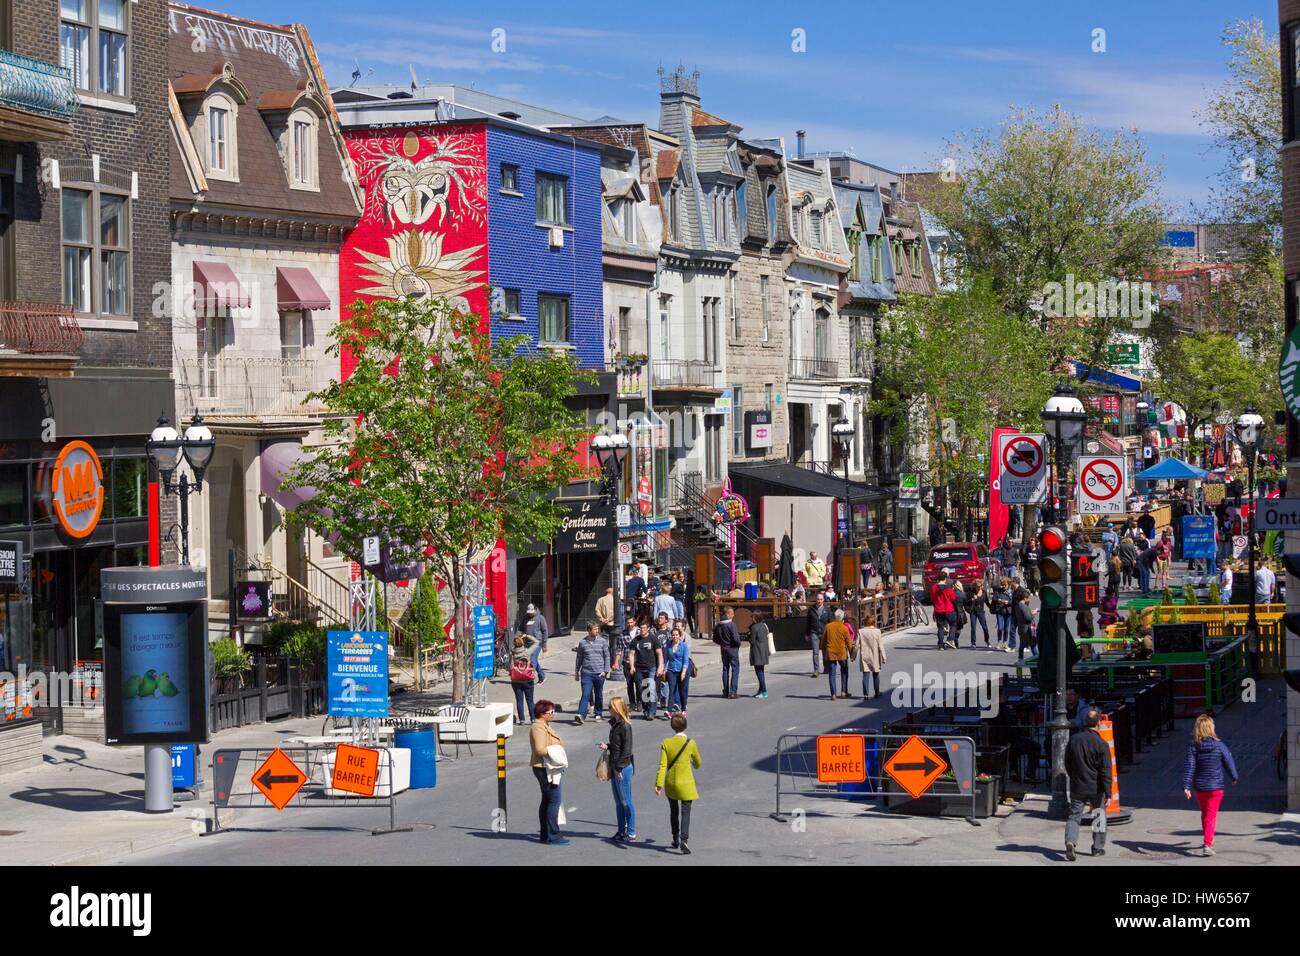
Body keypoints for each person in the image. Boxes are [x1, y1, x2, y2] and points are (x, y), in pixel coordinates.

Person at [1182, 713, 1239, 857]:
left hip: (1200, 788)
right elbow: (1228, 761)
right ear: (1211, 728)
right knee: (1211, 815)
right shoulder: (1219, 745)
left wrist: (1186, 786)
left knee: (1206, 814)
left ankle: (1207, 839)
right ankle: (1208, 844)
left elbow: (1190, 767)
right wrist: (1234, 777)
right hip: (1216, 788)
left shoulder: (1193, 747)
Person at [1063, 706, 1111, 861]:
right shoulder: (1102, 744)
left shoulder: (1074, 740)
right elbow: (1106, 771)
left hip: (1078, 785)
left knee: (1074, 816)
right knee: (1099, 816)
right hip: (1096, 787)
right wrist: (1108, 792)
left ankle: (1071, 841)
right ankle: (1097, 848)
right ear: (1098, 723)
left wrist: (1074, 776)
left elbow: (1067, 762)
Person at [655, 713, 702, 855]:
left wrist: (658, 785)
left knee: (673, 811)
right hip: (686, 783)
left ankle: (675, 837)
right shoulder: (691, 743)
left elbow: (662, 765)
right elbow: (698, 763)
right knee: (686, 811)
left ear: (672, 726)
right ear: (685, 726)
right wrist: (692, 762)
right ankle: (684, 839)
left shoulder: (666, 743)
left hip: (671, 782)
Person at [529, 700, 568, 846]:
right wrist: (557, 751)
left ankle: (545, 834)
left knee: (547, 800)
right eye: (550, 712)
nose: (553, 714)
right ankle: (554, 835)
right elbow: (539, 749)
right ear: (542, 713)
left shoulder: (544, 725)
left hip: (548, 767)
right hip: (544, 768)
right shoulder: (538, 727)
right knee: (554, 800)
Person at [600, 696, 636, 843]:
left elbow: (627, 751)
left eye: (610, 707)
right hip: (616, 766)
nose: (608, 709)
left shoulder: (625, 726)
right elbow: (617, 746)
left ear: (616, 709)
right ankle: (621, 831)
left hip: (623, 768)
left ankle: (631, 831)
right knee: (618, 802)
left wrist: (619, 769)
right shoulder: (616, 724)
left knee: (626, 800)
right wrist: (607, 746)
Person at [573, 622, 610, 725]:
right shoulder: (582, 643)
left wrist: (605, 671)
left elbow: (607, 656)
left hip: (599, 673)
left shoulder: (603, 641)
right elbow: (579, 658)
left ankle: (598, 713)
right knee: (585, 694)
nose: (597, 631)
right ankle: (581, 715)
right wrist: (576, 671)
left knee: (598, 694)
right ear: (589, 631)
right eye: (594, 629)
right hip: (586, 673)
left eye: (597, 629)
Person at [628, 620, 665, 720]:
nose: (642, 630)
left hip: (651, 667)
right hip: (639, 668)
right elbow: (631, 654)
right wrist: (632, 666)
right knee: (642, 689)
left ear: (648, 628)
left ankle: (652, 712)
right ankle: (646, 710)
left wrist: (660, 667)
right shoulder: (636, 640)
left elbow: (659, 654)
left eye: (644, 628)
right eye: (640, 628)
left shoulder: (653, 639)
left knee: (651, 689)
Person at [822, 608, 852, 699]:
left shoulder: (828, 626)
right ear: (842, 617)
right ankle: (843, 691)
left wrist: (824, 653)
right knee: (844, 671)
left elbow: (823, 641)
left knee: (832, 673)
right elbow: (848, 642)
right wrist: (851, 653)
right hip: (841, 653)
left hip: (831, 653)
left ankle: (833, 694)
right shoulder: (844, 627)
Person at [713, 605, 743, 699]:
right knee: (735, 669)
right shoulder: (731, 625)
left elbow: (715, 639)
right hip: (732, 649)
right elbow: (736, 639)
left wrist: (722, 643)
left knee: (725, 669)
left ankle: (726, 691)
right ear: (727, 614)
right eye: (732, 614)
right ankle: (733, 691)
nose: (733, 615)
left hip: (723, 649)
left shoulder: (719, 625)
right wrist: (737, 644)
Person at [856, 613, 886, 698]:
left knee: (865, 674)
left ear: (865, 622)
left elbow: (856, 645)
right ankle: (877, 692)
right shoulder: (877, 631)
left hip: (864, 656)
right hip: (875, 656)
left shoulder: (861, 631)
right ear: (873, 622)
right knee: (876, 674)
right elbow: (881, 645)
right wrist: (884, 657)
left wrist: (853, 656)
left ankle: (866, 694)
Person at [509, 636, 537, 725]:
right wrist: (527, 636)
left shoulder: (512, 653)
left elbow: (509, 666)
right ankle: (533, 718)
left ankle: (522, 720)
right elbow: (536, 642)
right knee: (530, 700)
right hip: (527, 678)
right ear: (522, 643)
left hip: (516, 680)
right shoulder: (527, 652)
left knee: (519, 700)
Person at [664, 626, 691, 713]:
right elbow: (665, 659)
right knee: (671, 690)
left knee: (682, 690)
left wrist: (683, 672)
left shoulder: (683, 646)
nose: (674, 637)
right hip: (671, 670)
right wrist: (664, 669)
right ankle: (669, 711)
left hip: (682, 670)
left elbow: (686, 660)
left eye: (676, 635)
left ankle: (683, 710)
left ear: (679, 636)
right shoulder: (668, 645)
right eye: (673, 635)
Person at [522, 604, 550, 684]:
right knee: (534, 660)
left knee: (532, 659)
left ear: (535, 610)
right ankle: (542, 676)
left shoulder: (540, 618)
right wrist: (518, 636)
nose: (530, 614)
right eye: (529, 612)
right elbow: (520, 628)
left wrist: (544, 645)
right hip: (527, 642)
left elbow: (545, 631)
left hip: (538, 642)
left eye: (531, 612)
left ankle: (529, 678)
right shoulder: (525, 617)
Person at [806, 591, 830, 677]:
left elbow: (831, 622)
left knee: (825, 651)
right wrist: (807, 634)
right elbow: (808, 622)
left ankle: (826, 667)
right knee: (815, 652)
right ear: (815, 600)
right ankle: (816, 670)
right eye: (818, 599)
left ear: (823, 600)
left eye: (821, 599)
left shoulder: (827, 609)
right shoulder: (811, 609)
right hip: (814, 632)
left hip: (824, 633)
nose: (819, 601)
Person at [931, 570, 957, 649]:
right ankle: (950, 639)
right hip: (948, 610)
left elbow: (932, 599)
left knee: (940, 627)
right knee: (953, 624)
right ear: (945, 579)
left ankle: (941, 645)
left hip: (938, 610)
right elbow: (953, 598)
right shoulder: (948, 588)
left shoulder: (934, 588)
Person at [748, 610, 772, 698]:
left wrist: (749, 636)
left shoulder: (754, 628)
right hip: (764, 650)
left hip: (757, 651)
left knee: (759, 672)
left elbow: (752, 641)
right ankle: (760, 690)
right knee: (761, 670)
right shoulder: (764, 626)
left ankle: (764, 691)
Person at [991, 577, 1014, 652]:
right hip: (1000, 611)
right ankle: (999, 641)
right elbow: (994, 598)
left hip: (1008, 612)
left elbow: (1014, 601)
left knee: (1006, 628)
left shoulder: (1012, 592)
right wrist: (999, 600)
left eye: (1005, 585)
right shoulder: (998, 591)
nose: (1003, 586)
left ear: (1009, 584)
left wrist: (1008, 602)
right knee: (1000, 627)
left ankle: (1004, 642)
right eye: (1002, 585)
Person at [1013, 589, 1036, 661]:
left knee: (1022, 644)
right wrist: (1033, 614)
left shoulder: (1018, 606)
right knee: (1033, 644)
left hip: (1021, 627)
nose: (1028, 599)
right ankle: (1037, 657)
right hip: (1027, 629)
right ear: (1024, 598)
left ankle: (1020, 658)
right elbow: (1028, 618)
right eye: (1028, 598)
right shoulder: (1023, 606)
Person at [966, 581, 991, 648]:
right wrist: (972, 599)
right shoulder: (971, 592)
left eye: (979, 587)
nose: (978, 588)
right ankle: (973, 643)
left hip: (981, 612)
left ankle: (987, 641)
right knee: (973, 628)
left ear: (981, 586)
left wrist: (993, 608)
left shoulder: (984, 592)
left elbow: (987, 602)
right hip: (973, 612)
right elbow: (966, 602)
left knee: (985, 627)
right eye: (977, 587)